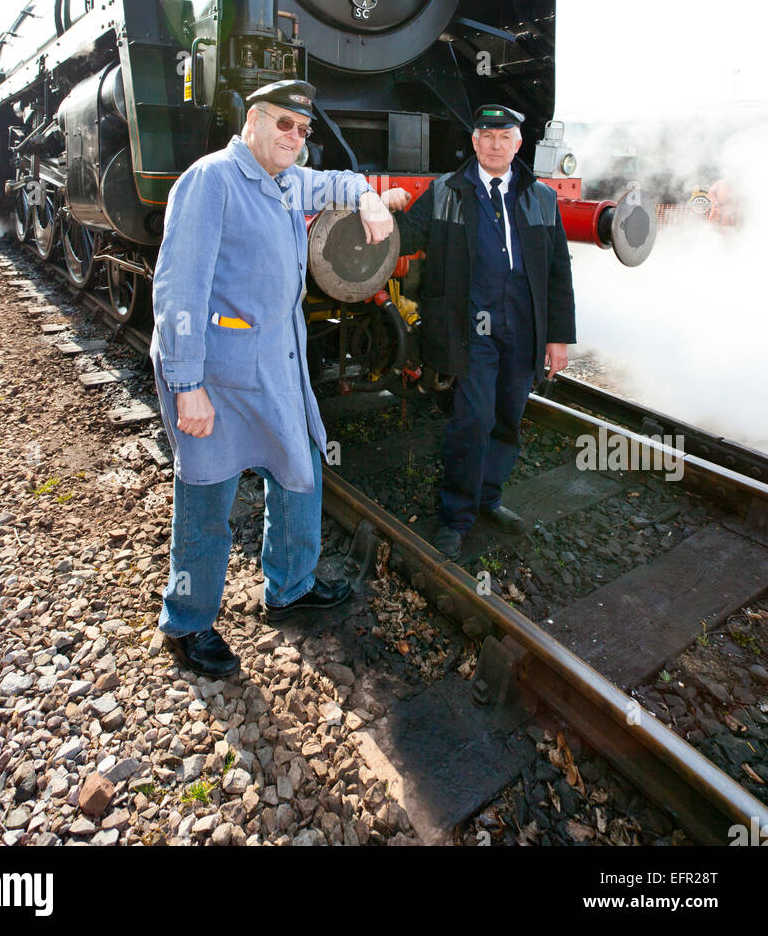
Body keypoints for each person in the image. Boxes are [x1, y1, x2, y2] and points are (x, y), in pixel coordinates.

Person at [150, 79, 395, 677]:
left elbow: (334, 180)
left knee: (301, 465)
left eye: (303, 130)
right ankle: (187, 623)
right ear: (253, 121)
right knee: (207, 493)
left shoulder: (286, 181)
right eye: (284, 124)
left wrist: (366, 194)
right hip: (221, 374)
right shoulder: (211, 181)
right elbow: (178, 290)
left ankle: (288, 589)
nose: (295, 137)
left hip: (279, 366)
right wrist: (188, 386)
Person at [389, 103, 576, 558]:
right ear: (474, 142)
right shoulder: (446, 192)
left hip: (524, 326)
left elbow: (557, 271)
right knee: (472, 420)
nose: (495, 144)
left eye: (504, 136)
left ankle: (489, 498)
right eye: (486, 136)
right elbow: (407, 236)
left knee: (509, 416)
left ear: (518, 144)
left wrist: (558, 337)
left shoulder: (541, 197)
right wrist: (377, 209)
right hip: (472, 328)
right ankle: (456, 517)